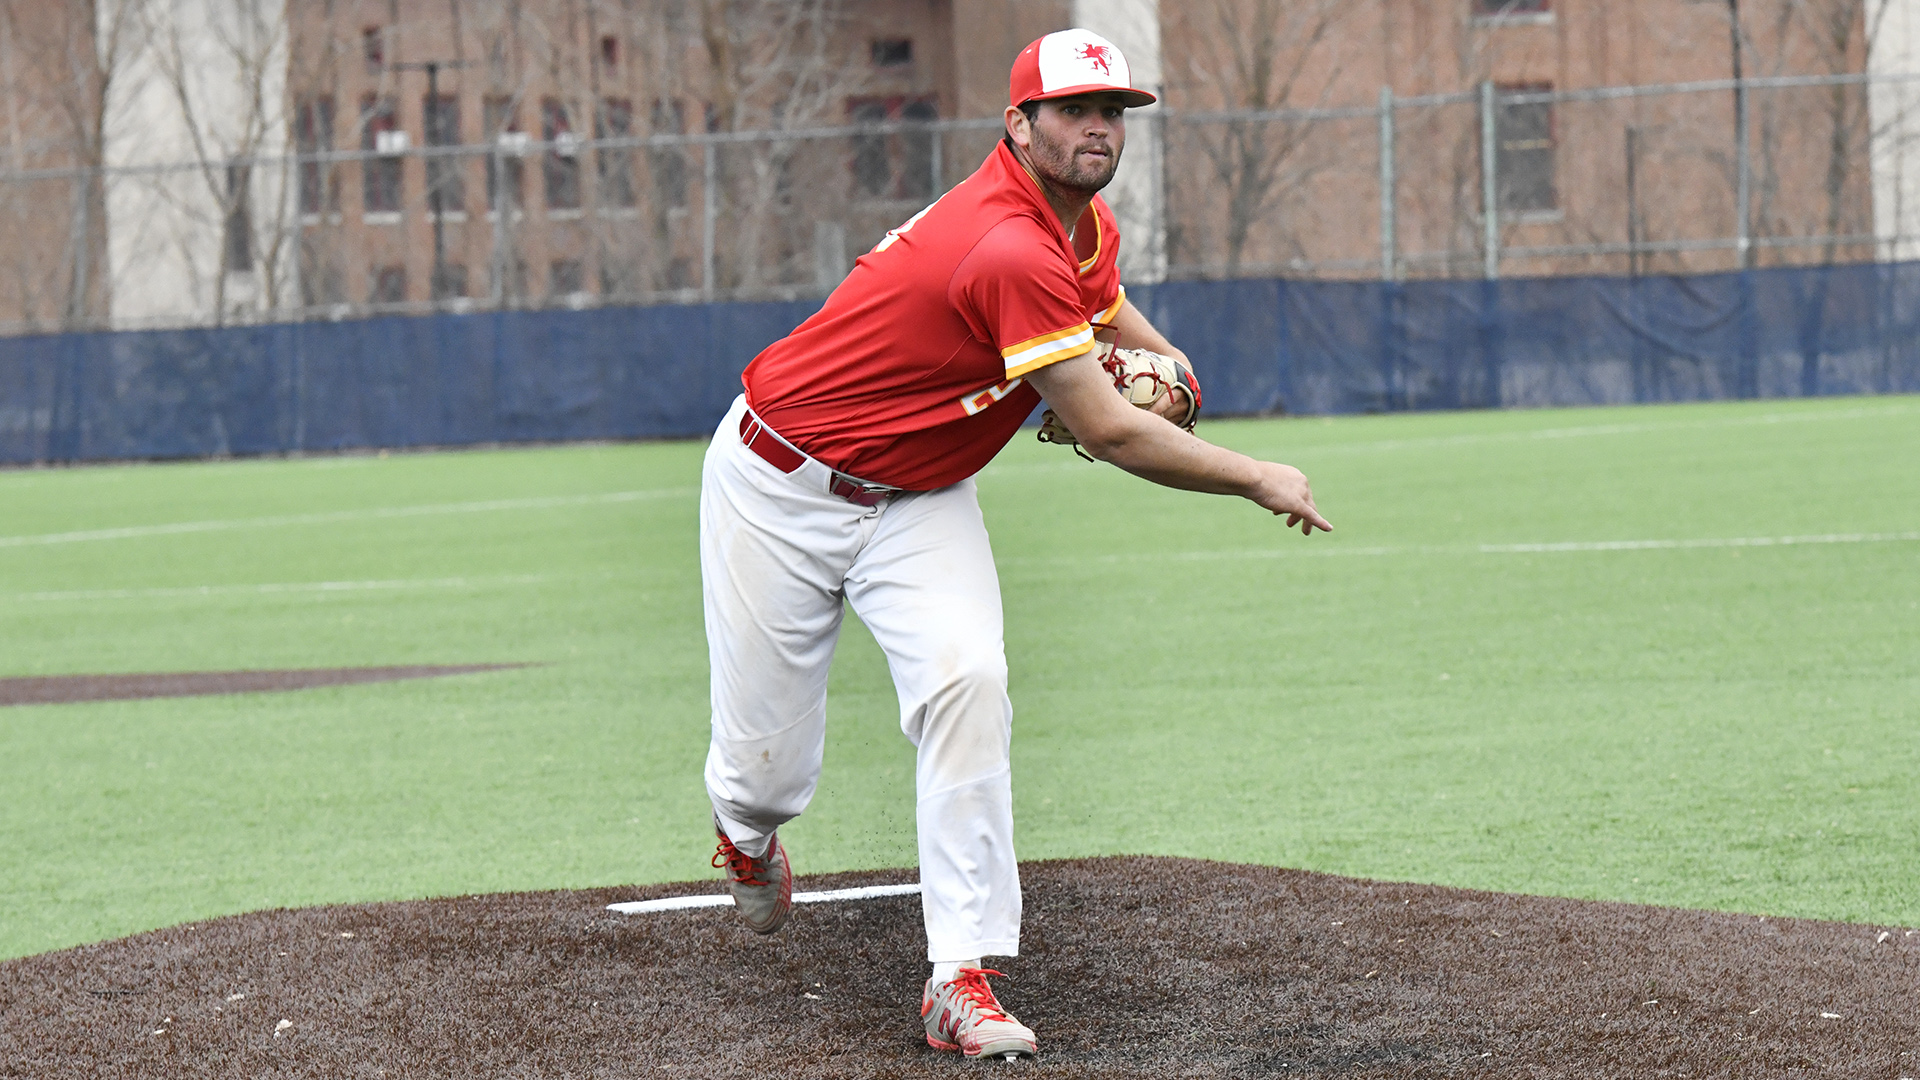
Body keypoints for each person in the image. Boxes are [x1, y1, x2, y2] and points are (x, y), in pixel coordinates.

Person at [699, 28, 1331, 1061]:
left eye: (1113, 111)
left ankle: (961, 976)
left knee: (969, 681)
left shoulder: (1078, 230)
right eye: (1076, 110)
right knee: (767, 773)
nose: (1098, 127)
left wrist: (1169, 366)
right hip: (781, 484)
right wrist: (1257, 474)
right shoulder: (1007, 243)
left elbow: (1116, 321)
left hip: (919, 496)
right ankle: (745, 833)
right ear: (1018, 125)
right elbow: (1108, 429)